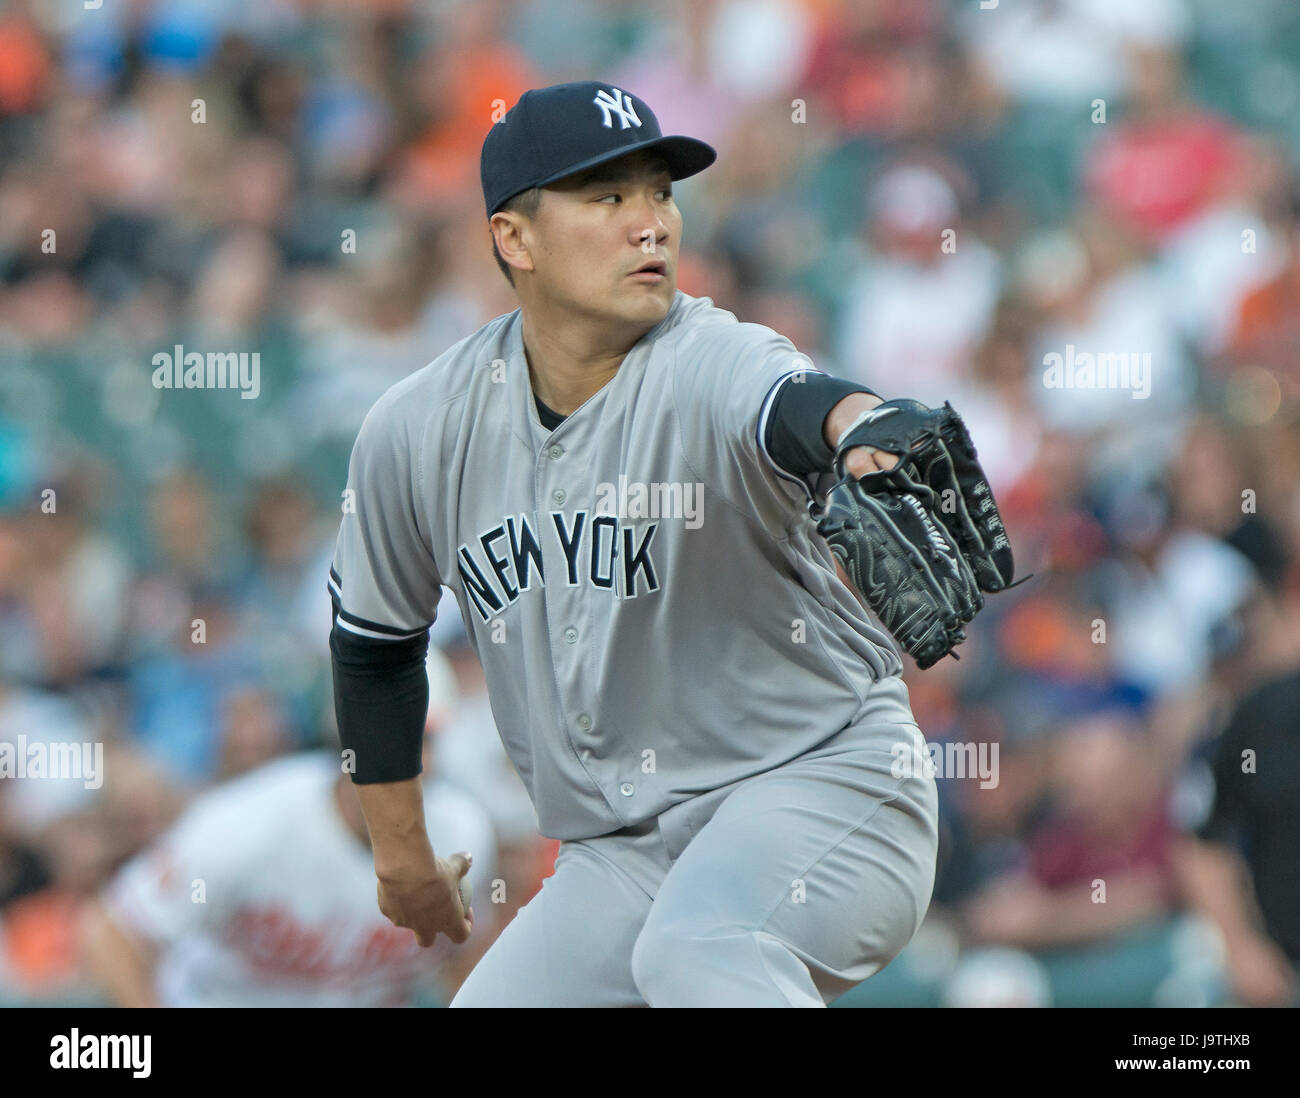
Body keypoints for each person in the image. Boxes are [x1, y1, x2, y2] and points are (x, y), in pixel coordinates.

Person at [327, 81, 944, 1007]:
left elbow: (799, 405)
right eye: (607, 197)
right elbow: (376, 647)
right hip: (624, 852)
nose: (650, 223)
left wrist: (864, 425)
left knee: (700, 953)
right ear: (514, 238)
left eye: (660, 191)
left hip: (828, 782)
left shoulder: (710, 360)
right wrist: (403, 851)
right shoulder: (418, 429)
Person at [78, 742, 495, 1007]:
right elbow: (115, 933)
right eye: (407, 741)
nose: (415, 764)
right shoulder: (247, 823)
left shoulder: (461, 832)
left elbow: (469, 960)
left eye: (429, 742)